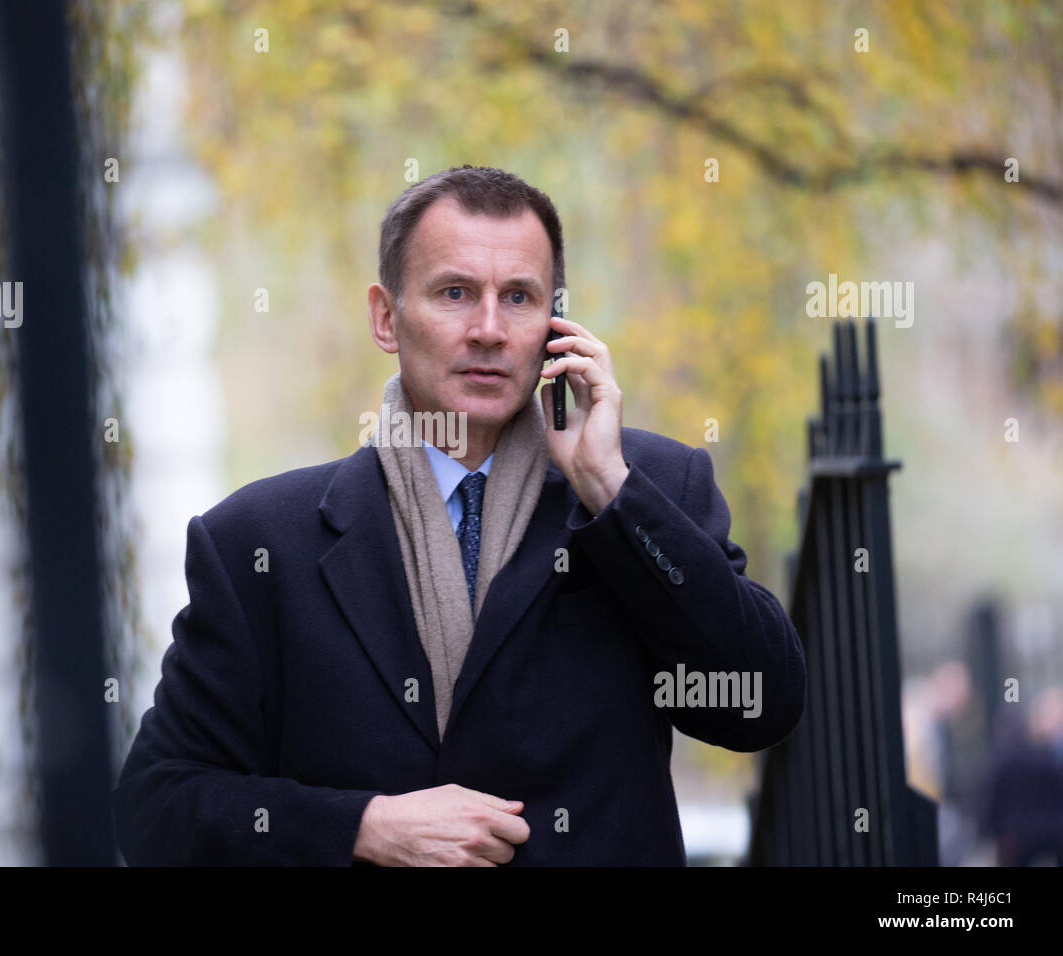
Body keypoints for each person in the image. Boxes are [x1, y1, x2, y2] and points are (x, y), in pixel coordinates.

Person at [112, 165, 806, 866]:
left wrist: (608, 490)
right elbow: (155, 806)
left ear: (556, 325)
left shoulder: (646, 488)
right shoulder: (258, 541)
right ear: (387, 317)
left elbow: (760, 704)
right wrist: (363, 827)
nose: (489, 329)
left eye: (519, 297)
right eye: (454, 293)